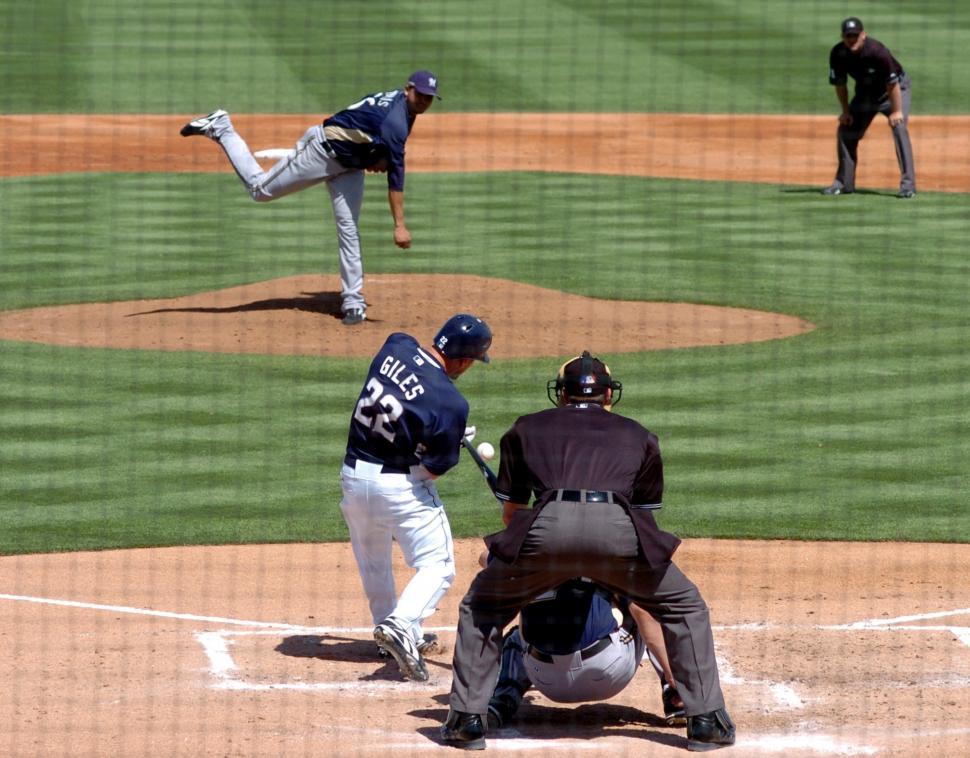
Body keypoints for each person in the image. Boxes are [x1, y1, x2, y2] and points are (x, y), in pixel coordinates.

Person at [440, 351, 735, 751]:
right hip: (617, 528)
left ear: (561, 394)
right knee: (684, 606)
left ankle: (466, 720)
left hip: (547, 525)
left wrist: (543, 546)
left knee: (482, 606)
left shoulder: (526, 428)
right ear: (608, 395)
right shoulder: (639, 435)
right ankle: (707, 721)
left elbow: (512, 516)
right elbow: (643, 518)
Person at [179, 70, 441, 324]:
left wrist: (373, 155)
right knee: (260, 191)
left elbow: (365, 124)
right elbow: (396, 177)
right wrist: (399, 225)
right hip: (320, 152)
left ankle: (353, 301)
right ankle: (222, 127)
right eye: (420, 94)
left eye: (429, 97)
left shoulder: (400, 104)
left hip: (350, 166)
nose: (424, 101)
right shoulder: (395, 121)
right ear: (407, 89)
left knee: (349, 229)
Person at [340, 313, 491, 682]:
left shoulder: (396, 345)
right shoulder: (450, 403)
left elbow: (404, 396)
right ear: (463, 361)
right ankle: (401, 624)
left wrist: (438, 433)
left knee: (374, 562)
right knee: (439, 565)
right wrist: (449, 436)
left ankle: (389, 631)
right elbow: (434, 469)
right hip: (398, 488)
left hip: (353, 478)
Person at [484, 574, 688, 730]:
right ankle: (675, 697)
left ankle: (501, 701)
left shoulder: (529, 548)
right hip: (607, 672)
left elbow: (486, 557)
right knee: (646, 605)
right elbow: (642, 612)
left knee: (516, 636)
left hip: (546, 680)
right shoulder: (601, 551)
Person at [823, 17, 916, 199]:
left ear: (863, 35)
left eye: (855, 35)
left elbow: (892, 83)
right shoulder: (838, 53)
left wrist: (897, 111)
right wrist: (846, 111)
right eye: (848, 36)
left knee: (899, 127)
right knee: (846, 130)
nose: (852, 39)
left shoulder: (876, 51)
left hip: (894, 91)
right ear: (842, 37)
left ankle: (908, 187)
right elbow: (840, 84)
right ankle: (843, 184)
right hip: (865, 94)